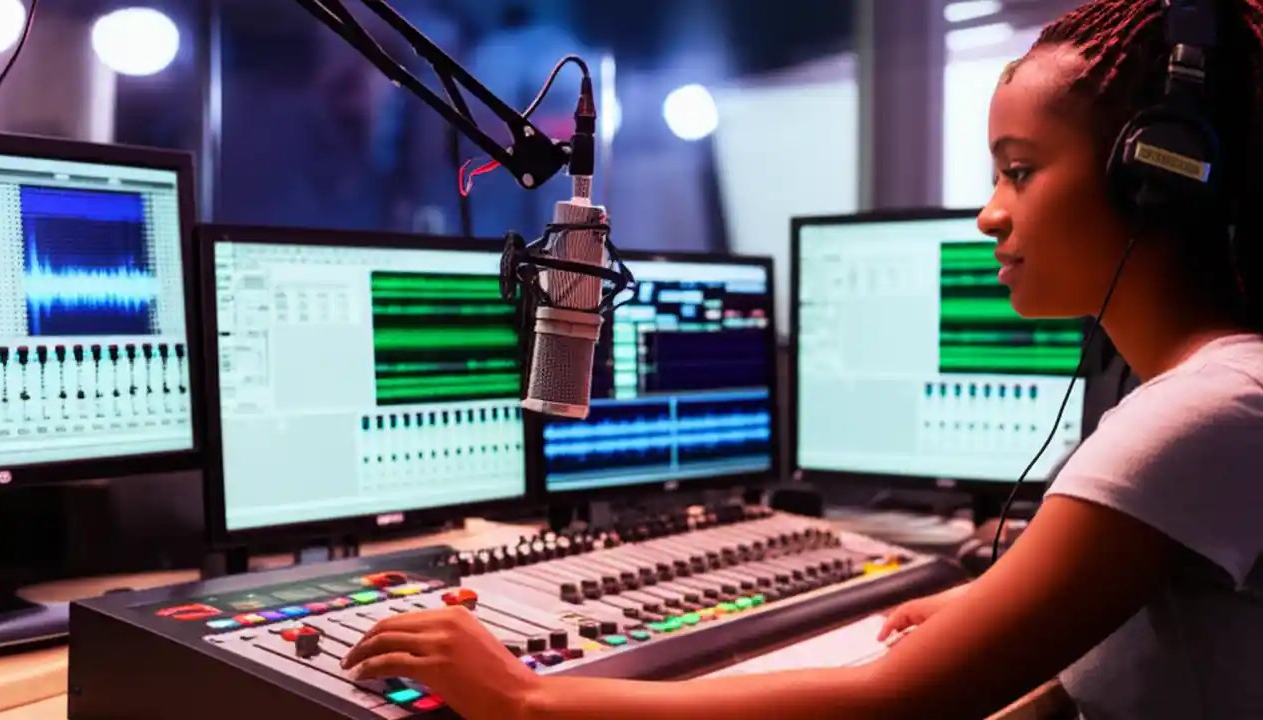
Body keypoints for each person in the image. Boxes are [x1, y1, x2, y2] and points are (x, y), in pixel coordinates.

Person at [338, 0, 1263, 717]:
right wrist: (998, 612)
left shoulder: (1197, 414)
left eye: (1018, 171)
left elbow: (889, 703)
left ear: (1154, 179)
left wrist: (522, 697)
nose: (989, 214)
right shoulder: (1216, 393)